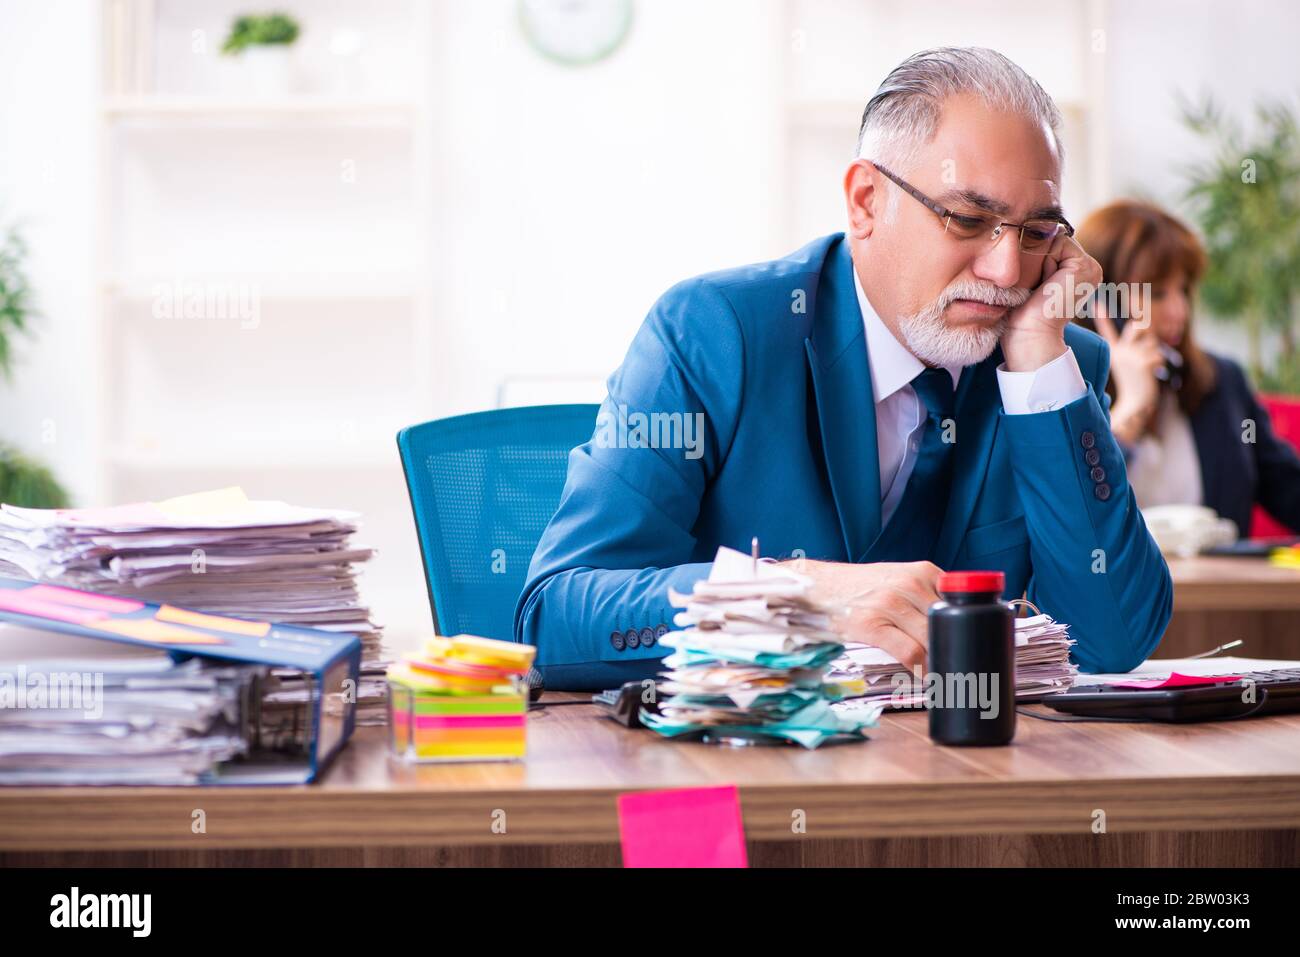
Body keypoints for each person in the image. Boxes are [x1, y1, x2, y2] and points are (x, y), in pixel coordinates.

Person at [516, 47, 1171, 690]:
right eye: (969, 219)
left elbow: (1110, 640)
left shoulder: (1048, 362)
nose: (1006, 272)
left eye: (1035, 232)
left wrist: (1037, 368)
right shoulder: (714, 331)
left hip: (957, 782)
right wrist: (792, 597)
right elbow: (555, 613)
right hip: (742, 774)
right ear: (864, 202)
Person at [1076, 200, 1300, 534]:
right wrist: (1130, 412)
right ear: (1101, 302)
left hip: (1215, 586)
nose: (1179, 311)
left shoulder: (1221, 382)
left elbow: (1288, 489)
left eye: (1183, 290)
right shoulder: (1063, 389)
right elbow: (1069, 513)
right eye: (1158, 293)